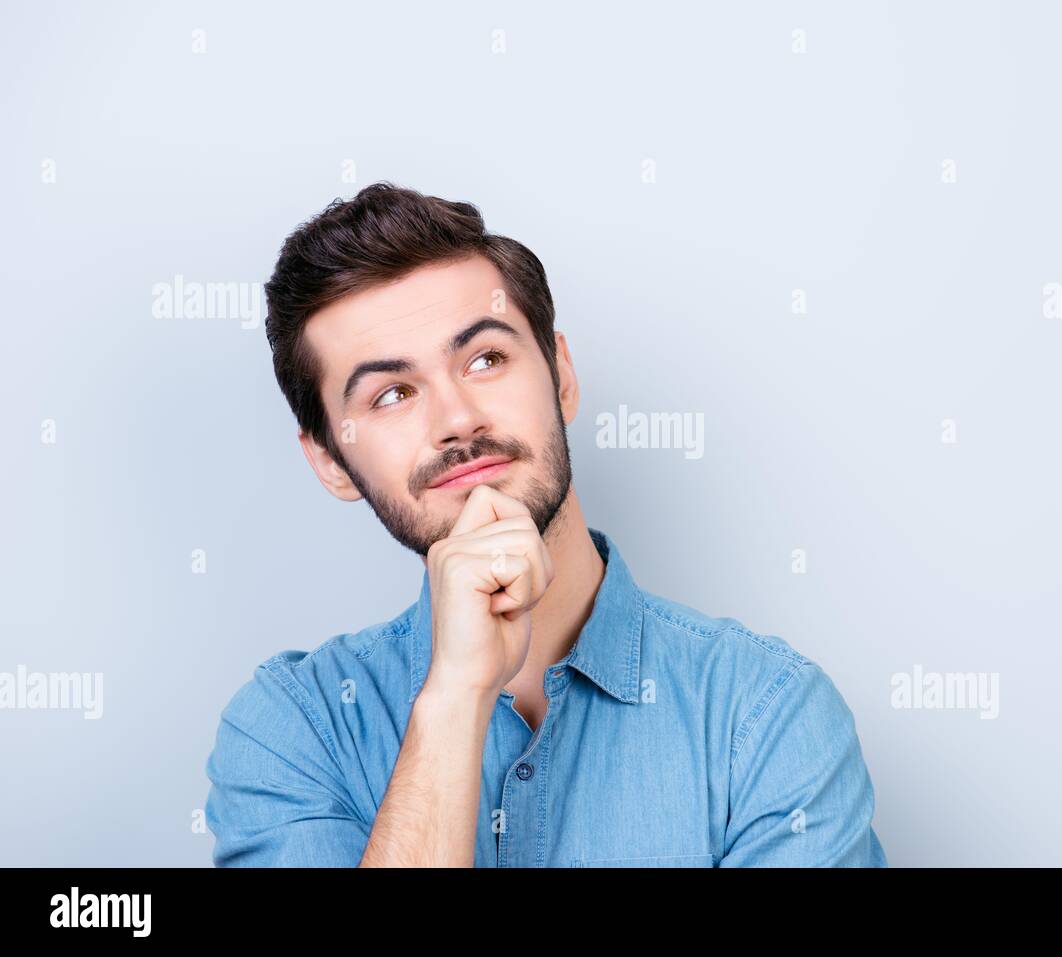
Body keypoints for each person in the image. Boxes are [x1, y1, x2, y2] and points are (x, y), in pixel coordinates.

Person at [202, 182, 888, 867]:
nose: (457, 419)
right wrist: (455, 698)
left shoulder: (767, 714)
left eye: (485, 359)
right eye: (391, 394)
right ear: (331, 461)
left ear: (561, 375)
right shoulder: (291, 729)